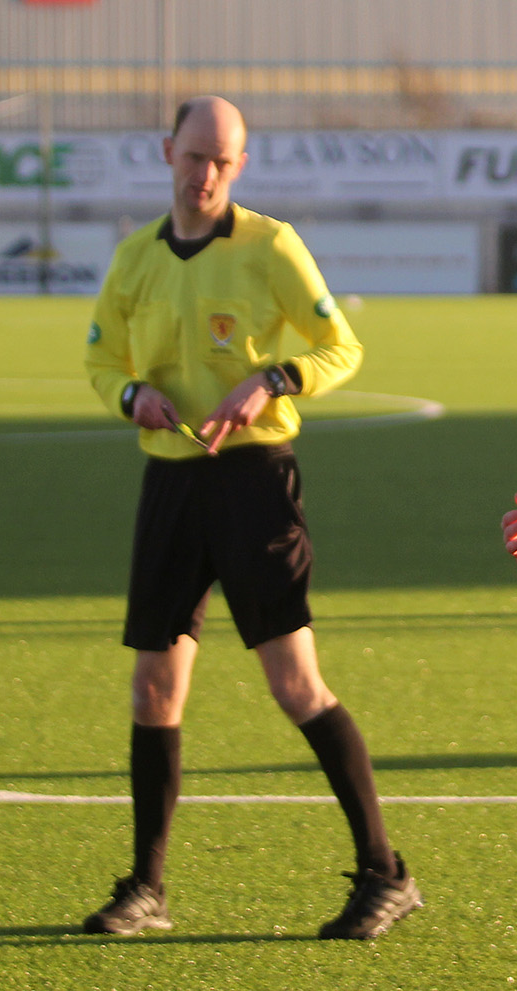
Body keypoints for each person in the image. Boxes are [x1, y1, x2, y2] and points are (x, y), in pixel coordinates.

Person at [80, 95, 416, 941]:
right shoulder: (133, 260)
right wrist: (132, 393)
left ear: (241, 166)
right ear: (167, 151)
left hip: (255, 480)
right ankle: (145, 887)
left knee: (293, 682)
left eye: (223, 161)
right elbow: (99, 357)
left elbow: (341, 347)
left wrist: (273, 379)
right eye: (195, 156)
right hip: (171, 485)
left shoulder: (271, 247)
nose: (207, 175)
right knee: (154, 685)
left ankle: (385, 871)